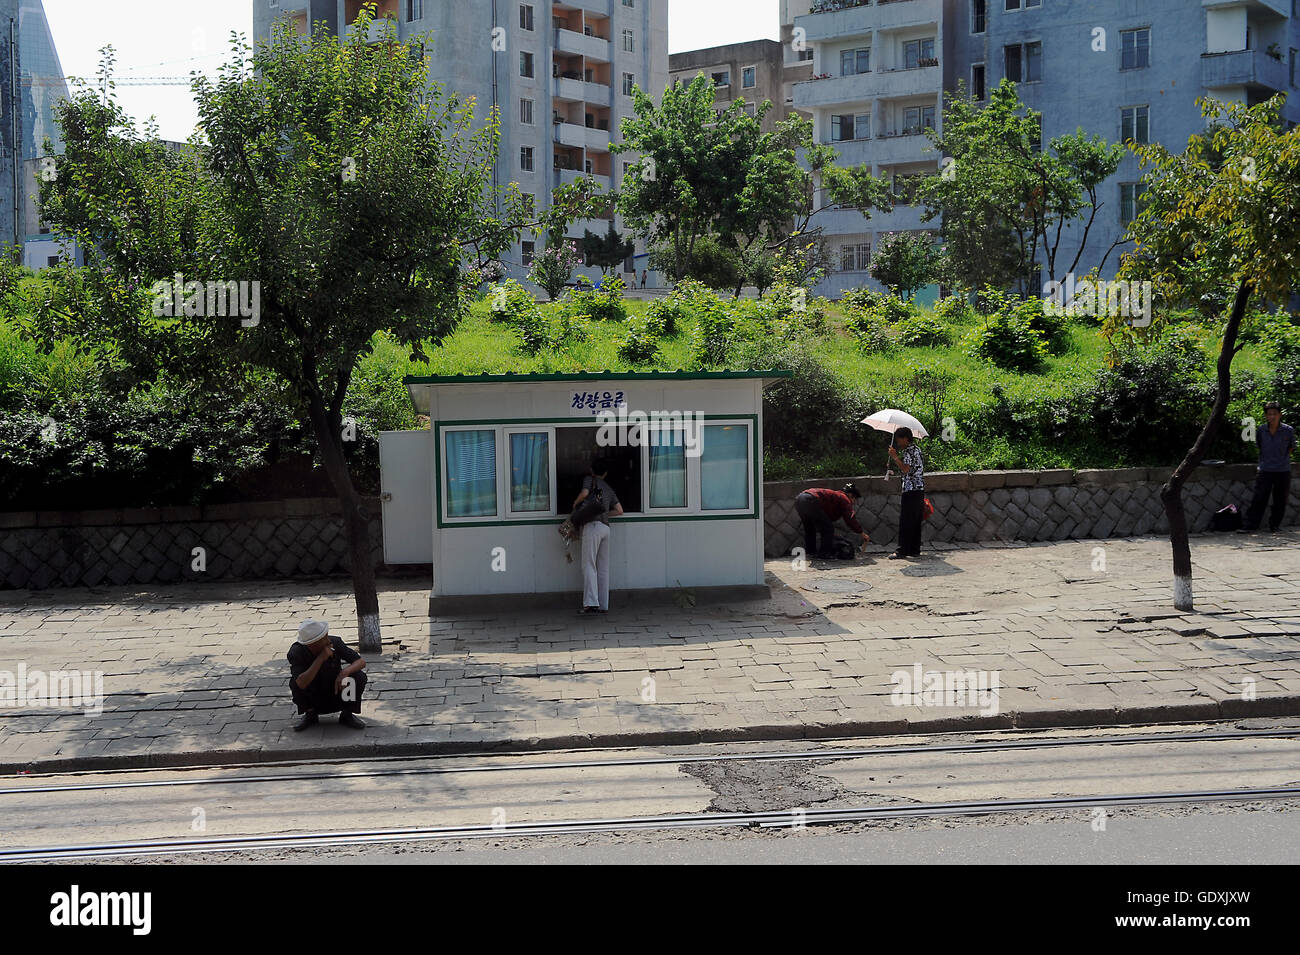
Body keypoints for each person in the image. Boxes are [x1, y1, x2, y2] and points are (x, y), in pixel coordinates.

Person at [287, 619, 368, 731]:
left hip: (336, 692)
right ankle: (310, 715)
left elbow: (360, 662)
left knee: (358, 676)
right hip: (314, 696)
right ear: (312, 644)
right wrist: (321, 658)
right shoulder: (296, 652)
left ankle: (347, 714)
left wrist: (344, 672)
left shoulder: (335, 643)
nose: (328, 640)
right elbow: (301, 683)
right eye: (324, 638)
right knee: (295, 682)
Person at [573, 456, 624, 614]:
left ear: (591, 470)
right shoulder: (608, 488)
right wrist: (604, 514)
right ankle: (603, 604)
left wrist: (575, 504)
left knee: (588, 564)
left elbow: (585, 493)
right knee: (603, 567)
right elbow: (620, 511)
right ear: (606, 473)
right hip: (605, 528)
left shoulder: (590, 479)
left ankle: (590, 603)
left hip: (592, 526)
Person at [1241, 401, 1295, 533]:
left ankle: (1275, 525)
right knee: (1259, 498)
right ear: (1266, 416)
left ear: (1280, 415)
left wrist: (1281, 458)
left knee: (1280, 500)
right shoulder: (1261, 430)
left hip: (1283, 470)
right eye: (1269, 414)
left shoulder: (1288, 430)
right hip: (1265, 469)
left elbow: (1292, 447)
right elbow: (1259, 445)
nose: (1272, 417)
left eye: (1275, 414)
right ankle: (1251, 526)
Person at [793, 484, 870, 559]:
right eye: (855, 499)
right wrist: (861, 533)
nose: (853, 502)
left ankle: (811, 552)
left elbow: (825, 516)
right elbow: (850, 519)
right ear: (850, 495)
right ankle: (824, 554)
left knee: (810, 528)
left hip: (799, 499)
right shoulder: (844, 498)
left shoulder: (836, 496)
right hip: (810, 500)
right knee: (828, 528)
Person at [887, 427, 925, 560]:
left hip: (910, 489)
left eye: (899, 440)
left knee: (906, 520)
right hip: (919, 488)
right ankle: (914, 549)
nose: (898, 443)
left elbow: (906, 469)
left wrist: (894, 457)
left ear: (905, 438)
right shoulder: (917, 449)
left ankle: (902, 551)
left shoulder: (909, 451)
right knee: (915, 521)